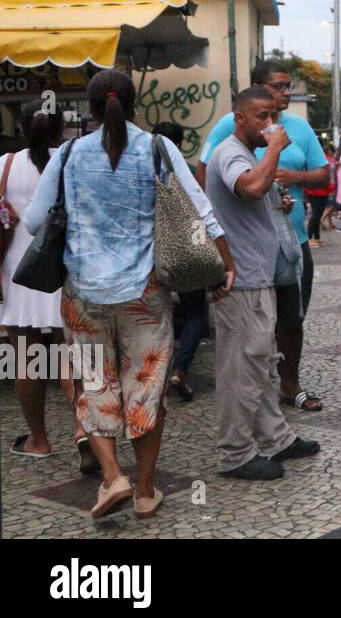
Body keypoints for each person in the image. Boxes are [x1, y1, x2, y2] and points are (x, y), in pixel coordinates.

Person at [25, 70, 235, 518]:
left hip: (83, 295)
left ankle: (112, 476)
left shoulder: (68, 155)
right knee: (146, 389)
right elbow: (200, 208)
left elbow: (34, 220)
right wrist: (225, 264)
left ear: (92, 108)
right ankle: (143, 492)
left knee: (93, 385)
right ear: (134, 103)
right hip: (145, 293)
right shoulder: (157, 148)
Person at [204, 86, 322, 480]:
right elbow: (250, 187)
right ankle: (235, 453)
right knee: (241, 368)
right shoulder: (229, 153)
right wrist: (274, 147)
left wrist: (279, 201)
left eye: (273, 117)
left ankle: (276, 438)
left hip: (258, 274)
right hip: (241, 279)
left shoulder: (247, 154)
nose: (270, 125)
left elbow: (257, 196)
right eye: (261, 117)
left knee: (262, 363)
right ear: (239, 119)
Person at [2, 99, 96, 473]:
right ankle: (82, 429)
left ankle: (38, 440)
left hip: (19, 276)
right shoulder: (74, 162)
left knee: (27, 361)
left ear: (22, 128)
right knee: (72, 359)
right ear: (61, 128)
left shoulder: (5, 166)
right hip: (64, 272)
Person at [151, 122, 206, 401]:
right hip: (183, 249)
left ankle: (154, 376)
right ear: (180, 144)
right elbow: (202, 208)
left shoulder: (140, 166)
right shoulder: (188, 171)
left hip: (149, 254)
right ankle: (179, 371)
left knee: (155, 314)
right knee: (195, 310)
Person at [305, 142, 333, 247]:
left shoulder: (316, 157)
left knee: (317, 214)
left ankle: (316, 237)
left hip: (319, 190)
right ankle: (309, 238)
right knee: (316, 215)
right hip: (316, 191)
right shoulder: (317, 158)